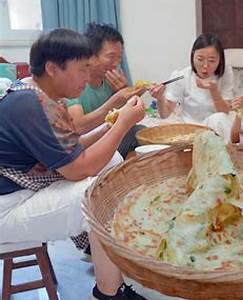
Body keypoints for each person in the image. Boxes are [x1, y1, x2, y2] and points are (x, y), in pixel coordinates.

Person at [0, 29, 147, 299]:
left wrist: (110, 123)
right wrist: (124, 122)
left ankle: (102, 245)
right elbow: (79, 167)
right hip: (7, 207)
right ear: (53, 68)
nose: (88, 77)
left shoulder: (34, 93)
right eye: (83, 69)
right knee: (102, 195)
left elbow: (73, 147)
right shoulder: (28, 104)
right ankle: (109, 291)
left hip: (21, 192)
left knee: (112, 161)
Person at [66, 22, 145, 158]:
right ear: (91, 56)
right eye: (111, 56)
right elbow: (78, 126)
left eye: (119, 57)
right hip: (86, 146)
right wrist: (115, 101)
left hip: (109, 137)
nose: (116, 63)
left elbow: (129, 121)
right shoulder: (74, 82)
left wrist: (128, 97)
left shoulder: (111, 80)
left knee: (141, 133)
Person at [149, 33, 235, 141]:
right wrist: (160, 98)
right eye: (200, 59)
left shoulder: (225, 74)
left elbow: (225, 112)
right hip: (191, 131)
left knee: (220, 118)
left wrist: (213, 90)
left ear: (220, 60)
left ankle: (227, 155)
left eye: (212, 61)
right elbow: (165, 114)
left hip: (217, 128)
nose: (205, 65)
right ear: (193, 56)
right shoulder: (182, 76)